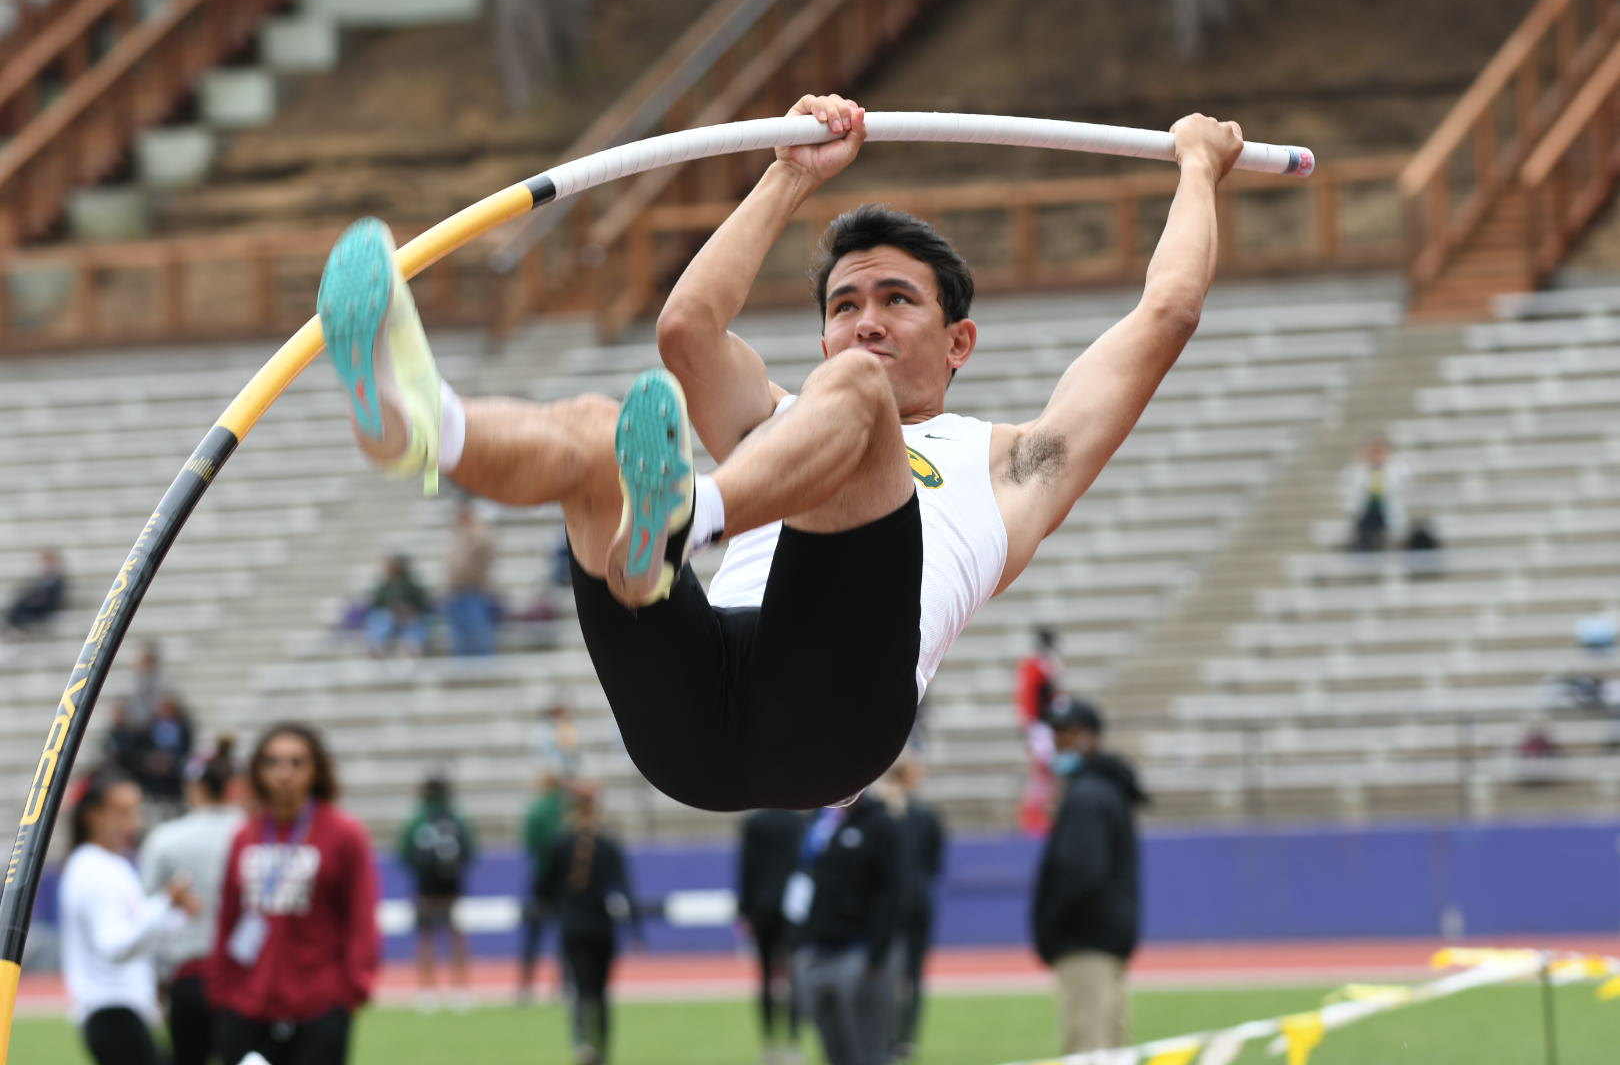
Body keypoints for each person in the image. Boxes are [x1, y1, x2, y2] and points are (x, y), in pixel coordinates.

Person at [314, 91, 1244, 812]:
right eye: (844, 305)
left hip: (836, 722)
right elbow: (687, 326)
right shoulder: (780, 422)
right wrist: (789, 174)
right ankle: (424, 427)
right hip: (692, 719)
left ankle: (687, 518)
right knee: (603, 432)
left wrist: (1197, 168)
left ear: (959, 342)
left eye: (895, 300)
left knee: (846, 401)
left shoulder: (1015, 462)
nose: (864, 323)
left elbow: (1166, 312)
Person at [208, 722, 380, 1065]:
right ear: (257, 771)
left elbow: (362, 916)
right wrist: (224, 990)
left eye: (296, 762)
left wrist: (352, 988)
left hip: (320, 1003)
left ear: (317, 769)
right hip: (249, 1003)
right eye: (272, 762)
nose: (284, 773)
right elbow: (229, 915)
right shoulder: (245, 836)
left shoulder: (345, 833)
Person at [1031, 698, 1148, 1056]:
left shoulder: (1087, 796)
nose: (1058, 743)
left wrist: (1052, 927)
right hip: (1105, 937)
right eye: (1054, 734)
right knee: (1110, 1048)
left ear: (1090, 737)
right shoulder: (1104, 790)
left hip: (1085, 940)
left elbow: (1080, 874)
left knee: (1087, 1047)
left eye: (1066, 733)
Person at [60, 770, 201, 1065]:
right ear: (92, 815)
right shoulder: (90, 868)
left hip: (126, 1012)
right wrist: (164, 904)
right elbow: (114, 945)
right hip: (110, 1011)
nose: (132, 821)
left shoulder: (115, 864)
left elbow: (139, 942)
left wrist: (177, 916)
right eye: (121, 811)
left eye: (135, 810)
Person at [139, 736, 245, 1065]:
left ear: (194, 787)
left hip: (186, 977)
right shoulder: (251, 832)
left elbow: (147, 914)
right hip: (243, 977)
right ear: (233, 786)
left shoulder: (165, 839)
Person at [788, 791, 903, 1065]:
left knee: (869, 1050)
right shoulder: (818, 821)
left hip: (859, 949)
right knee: (832, 1050)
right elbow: (802, 882)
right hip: (817, 949)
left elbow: (891, 891)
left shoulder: (879, 823)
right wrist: (798, 941)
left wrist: (877, 953)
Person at [536, 784, 642, 1065]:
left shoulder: (560, 843)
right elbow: (625, 889)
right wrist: (637, 930)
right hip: (602, 928)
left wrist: (558, 905)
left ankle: (583, 1045)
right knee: (601, 992)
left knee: (580, 990)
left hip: (573, 927)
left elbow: (541, 887)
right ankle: (604, 1049)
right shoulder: (608, 845)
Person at [400, 774, 478, 1012]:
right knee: (457, 937)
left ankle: (427, 991)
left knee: (426, 937)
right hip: (453, 888)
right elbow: (471, 850)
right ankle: (461, 990)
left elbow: (404, 851)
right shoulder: (458, 818)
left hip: (425, 889)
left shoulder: (417, 819)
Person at [737, 807, 808, 1063]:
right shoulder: (799, 821)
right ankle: (793, 1040)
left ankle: (768, 1042)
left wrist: (744, 909)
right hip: (792, 908)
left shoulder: (754, 823)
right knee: (793, 976)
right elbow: (805, 865)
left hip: (762, 906)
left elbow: (747, 867)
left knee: (766, 976)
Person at [888, 752, 946, 1062]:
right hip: (915, 903)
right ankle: (905, 1037)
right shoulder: (924, 817)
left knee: (889, 972)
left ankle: (894, 1035)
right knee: (911, 974)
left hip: (893, 906)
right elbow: (934, 863)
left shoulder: (885, 815)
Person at [518, 772, 571, 1003]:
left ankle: (526, 986)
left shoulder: (537, 811)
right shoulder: (568, 809)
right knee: (566, 935)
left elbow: (530, 843)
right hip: (566, 881)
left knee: (533, 935)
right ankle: (563, 985)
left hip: (541, 880)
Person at [1015, 628, 1063, 836]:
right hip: (1040, 725)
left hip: (1046, 724)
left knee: (1046, 772)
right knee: (1041, 771)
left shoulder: (1047, 663)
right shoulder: (1036, 664)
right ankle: (1031, 816)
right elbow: (1028, 695)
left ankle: (1039, 813)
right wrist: (1028, 723)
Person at [444, 501, 498, 657]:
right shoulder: (458, 534)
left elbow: (487, 551)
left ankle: (485, 662)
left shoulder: (479, 534)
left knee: (479, 628)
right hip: (456, 589)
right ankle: (461, 664)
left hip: (474, 588)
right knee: (459, 630)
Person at [1340, 438, 1411, 554]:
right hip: (1367, 514)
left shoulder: (1395, 468)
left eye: (1379, 452)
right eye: (1373, 452)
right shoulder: (1359, 470)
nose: (1376, 456)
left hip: (1386, 513)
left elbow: (1405, 482)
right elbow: (1347, 484)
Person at [364, 553, 432, 658]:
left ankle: (412, 646)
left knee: (417, 622)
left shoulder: (411, 585)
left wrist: (408, 610)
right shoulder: (384, 586)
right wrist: (392, 610)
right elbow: (375, 605)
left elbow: (422, 603)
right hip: (389, 617)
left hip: (409, 617)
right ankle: (377, 646)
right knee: (379, 619)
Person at [141, 693, 194, 806]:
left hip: (176, 758)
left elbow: (185, 745)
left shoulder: (182, 724)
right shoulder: (154, 723)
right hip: (158, 758)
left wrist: (173, 758)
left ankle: (175, 798)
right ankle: (156, 797)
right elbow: (148, 743)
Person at [4, 546, 66, 636]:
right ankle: (13, 627)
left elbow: (54, 597)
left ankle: (15, 629)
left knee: (21, 607)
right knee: (20, 603)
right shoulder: (43, 577)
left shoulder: (57, 578)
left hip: (47, 607)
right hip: (39, 604)